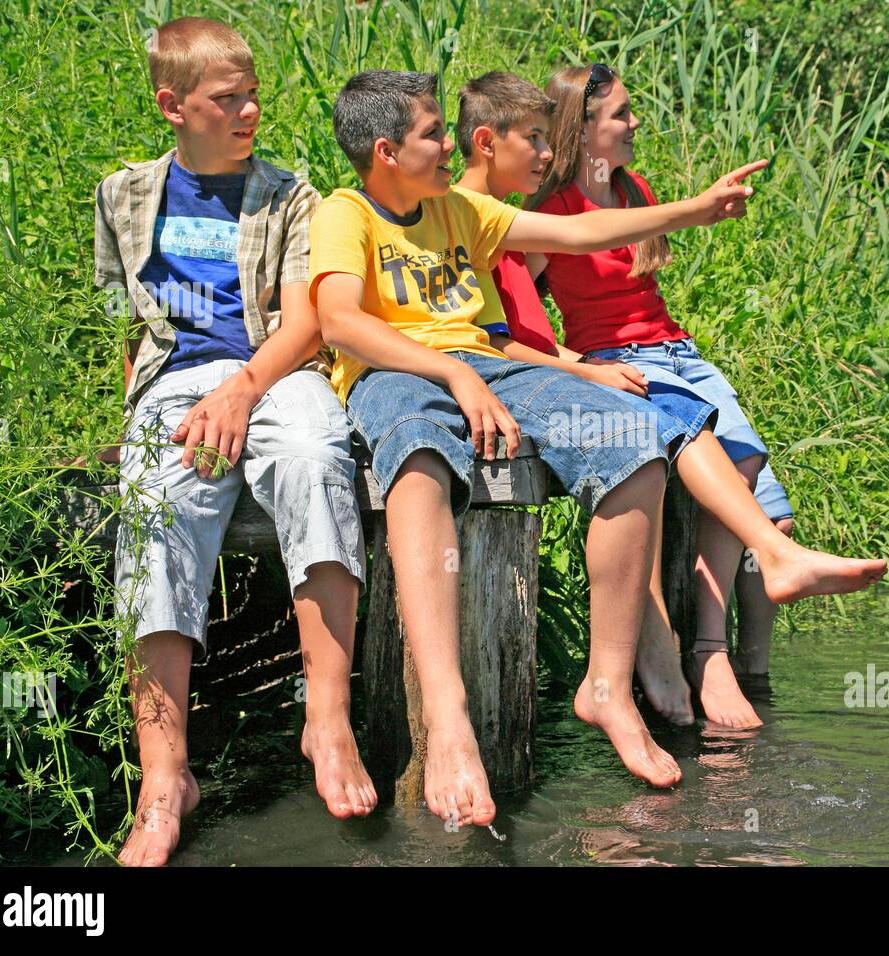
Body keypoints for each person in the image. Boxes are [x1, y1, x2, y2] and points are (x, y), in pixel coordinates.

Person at [310, 68, 784, 828]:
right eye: (433, 133)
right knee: (420, 460)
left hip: (493, 369)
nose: (448, 144)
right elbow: (338, 321)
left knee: (632, 439)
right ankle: (449, 712)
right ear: (386, 150)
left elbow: (576, 232)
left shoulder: (459, 206)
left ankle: (605, 683)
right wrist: (448, 372)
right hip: (397, 371)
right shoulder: (346, 212)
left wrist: (695, 211)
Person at [454, 71, 888, 726]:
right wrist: (585, 366)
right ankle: (700, 651)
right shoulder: (515, 218)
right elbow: (507, 327)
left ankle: (749, 663)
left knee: (765, 501)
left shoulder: (598, 197)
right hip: (600, 365)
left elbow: (534, 311)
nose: (635, 126)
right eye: (622, 116)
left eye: (546, 139)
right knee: (679, 446)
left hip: (660, 354)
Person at [96, 18, 374, 867]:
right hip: (174, 381)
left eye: (254, 94)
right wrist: (128, 419)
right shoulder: (123, 195)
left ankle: (326, 722)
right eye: (228, 99)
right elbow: (117, 322)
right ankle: (164, 776)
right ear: (172, 106)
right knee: (162, 499)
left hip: (274, 369)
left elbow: (304, 325)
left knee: (314, 457)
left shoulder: (293, 196)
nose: (250, 109)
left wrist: (242, 388)